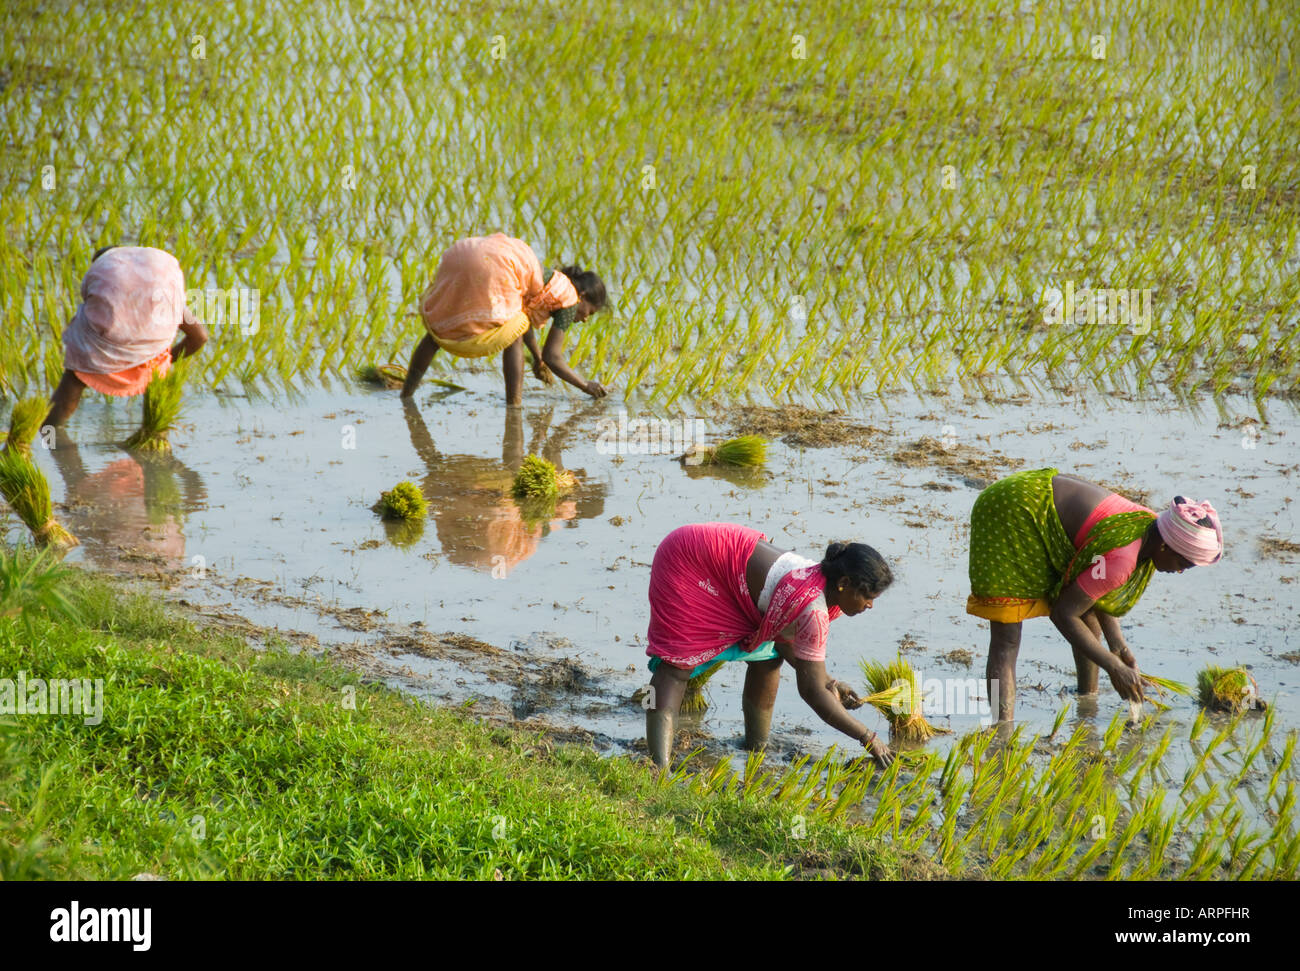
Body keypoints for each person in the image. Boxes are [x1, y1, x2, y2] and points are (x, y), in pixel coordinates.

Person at [966, 469, 1224, 721]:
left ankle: (1086, 705)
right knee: (1006, 638)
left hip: (1036, 496)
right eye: (1183, 564)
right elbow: (1063, 614)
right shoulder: (1125, 557)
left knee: (1086, 611)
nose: (1179, 572)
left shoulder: (1148, 526)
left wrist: (1118, 646)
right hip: (1012, 511)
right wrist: (1114, 667)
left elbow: (1098, 588)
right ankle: (1002, 729)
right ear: (1166, 545)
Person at [643, 522, 896, 769]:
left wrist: (830, 683)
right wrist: (866, 737)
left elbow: (785, 640)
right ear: (843, 584)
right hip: (690, 559)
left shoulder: (825, 590)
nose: (870, 605)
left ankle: (756, 747)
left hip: (726, 561)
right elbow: (811, 691)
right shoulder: (813, 606)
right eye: (868, 596)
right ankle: (657, 767)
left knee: (768, 656)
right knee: (675, 667)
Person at [400, 233, 608, 405]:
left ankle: (406, 394)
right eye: (589, 312)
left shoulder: (549, 283)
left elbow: (524, 321)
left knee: (437, 334)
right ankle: (514, 406)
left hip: (464, 254)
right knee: (513, 336)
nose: (584, 320)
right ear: (582, 297)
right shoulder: (569, 298)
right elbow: (553, 357)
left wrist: (537, 360)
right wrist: (585, 385)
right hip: (495, 266)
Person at [44, 246, 208, 428]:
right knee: (159, 372)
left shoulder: (106, 294)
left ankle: (50, 432)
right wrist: (165, 361)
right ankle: (155, 433)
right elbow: (200, 337)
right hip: (151, 360)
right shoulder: (166, 299)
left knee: (73, 379)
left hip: (100, 350)